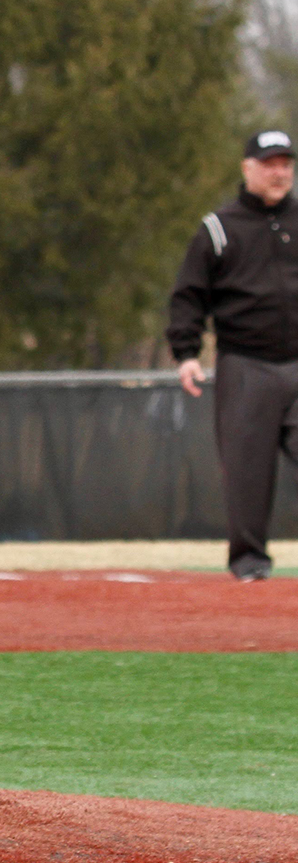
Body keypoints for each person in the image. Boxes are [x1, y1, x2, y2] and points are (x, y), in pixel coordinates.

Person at [168, 128, 298, 581]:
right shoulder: (219, 228)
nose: (279, 172)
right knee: (248, 467)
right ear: (248, 168)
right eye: (270, 163)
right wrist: (186, 352)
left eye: (286, 163)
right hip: (246, 363)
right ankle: (250, 564)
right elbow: (188, 294)